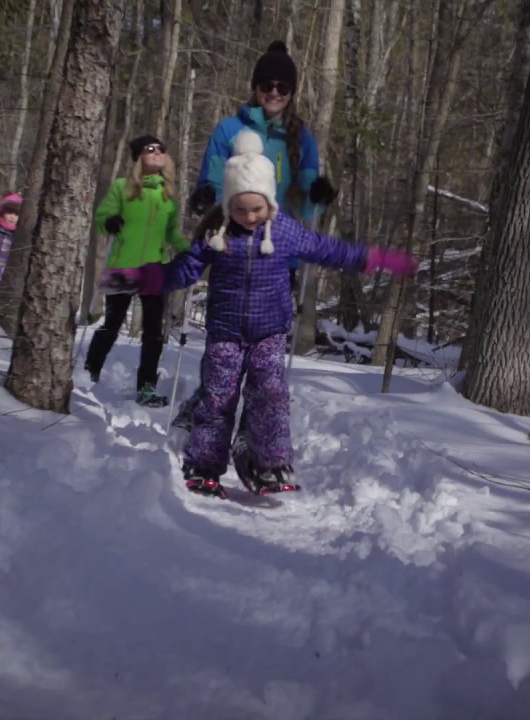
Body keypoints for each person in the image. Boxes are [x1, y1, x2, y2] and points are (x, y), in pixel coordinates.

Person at [164, 130, 417, 498]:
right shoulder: (218, 233)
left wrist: (372, 258)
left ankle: (268, 463)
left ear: (269, 201)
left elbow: (326, 249)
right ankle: (203, 466)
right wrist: (154, 277)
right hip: (224, 332)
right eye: (240, 209)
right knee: (217, 398)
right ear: (228, 205)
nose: (249, 216)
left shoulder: (284, 232)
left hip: (269, 333)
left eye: (257, 208)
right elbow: (188, 267)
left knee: (270, 395)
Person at [173, 40, 337, 428]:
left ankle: (251, 425)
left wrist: (318, 195)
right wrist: (205, 195)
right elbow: (213, 178)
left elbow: (306, 202)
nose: (274, 92)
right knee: (224, 340)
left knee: (266, 348)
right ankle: (207, 404)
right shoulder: (229, 130)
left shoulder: (302, 139)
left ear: (292, 92)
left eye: (283, 87)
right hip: (231, 247)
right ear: (255, 86)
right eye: (267, 84)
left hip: (277, 254)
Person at [83, 134, 190, 407]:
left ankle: (147, 387)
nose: (156, 152)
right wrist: (110, 221)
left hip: (154, 268)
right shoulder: (122, 187)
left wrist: (188, 250)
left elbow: (172, 233)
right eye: (149, 149)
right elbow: (102, 216)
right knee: (112, 324)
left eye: (160, 148)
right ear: (138, 157)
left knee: (153, 331)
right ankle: (89, 372)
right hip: (122, 264)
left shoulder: (168, 195)